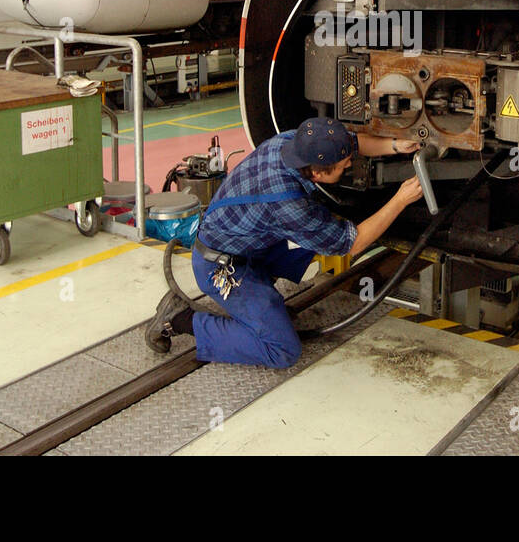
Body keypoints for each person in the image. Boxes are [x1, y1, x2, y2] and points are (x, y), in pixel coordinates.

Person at [149, 117, 423, 368]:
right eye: (342, 166)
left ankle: (265, 309)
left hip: (244, 245)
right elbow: (354, 243)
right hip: (222, 268)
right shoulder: (287, 203)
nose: (349, 164)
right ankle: (180, 319)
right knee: (282, 349)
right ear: (317, 173)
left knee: (316, 236)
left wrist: (397, 145)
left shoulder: (291, 143)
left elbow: (351, 142)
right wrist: (401, 199)